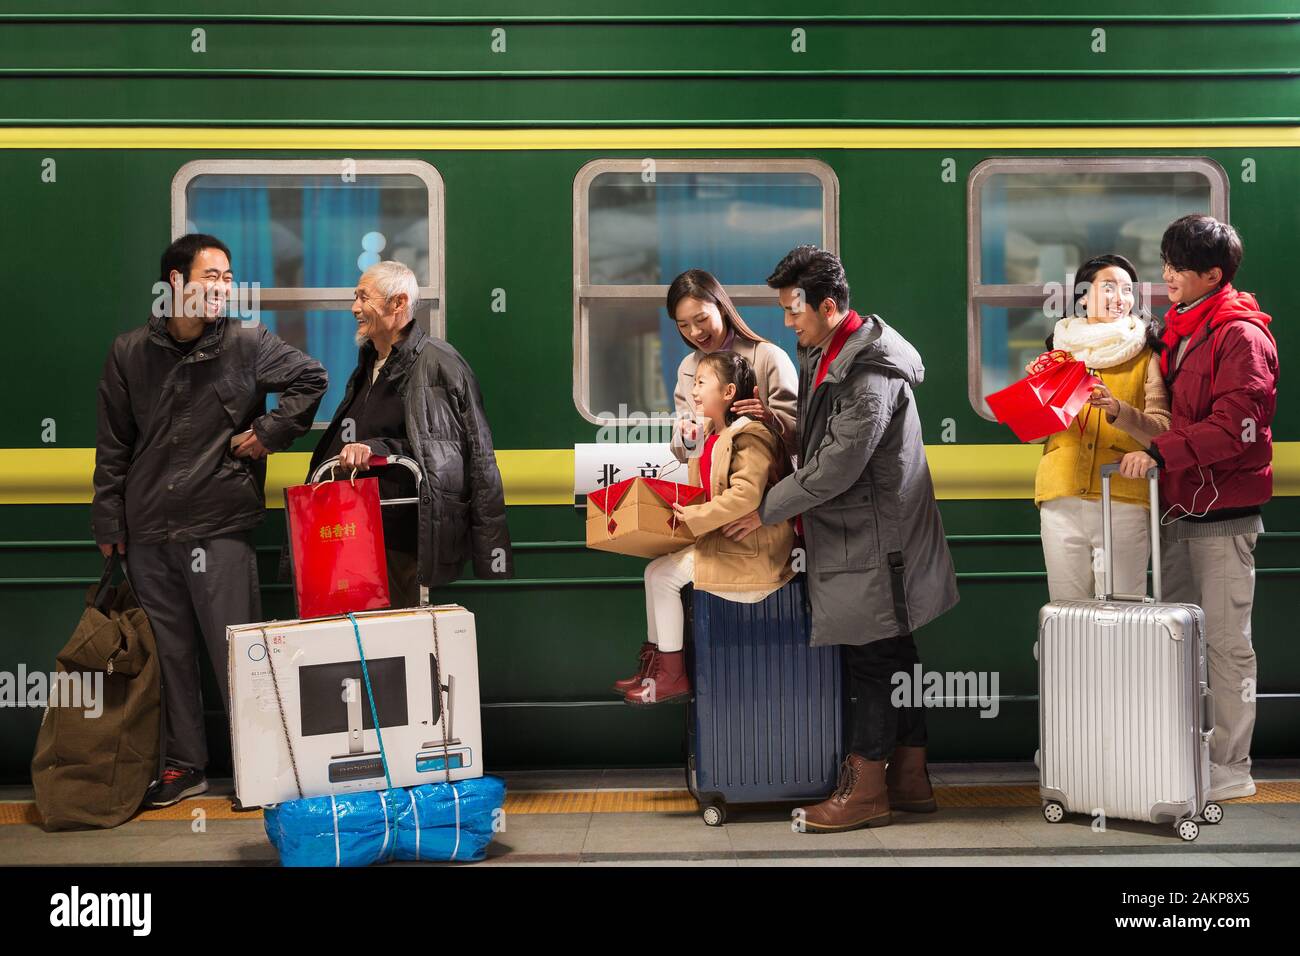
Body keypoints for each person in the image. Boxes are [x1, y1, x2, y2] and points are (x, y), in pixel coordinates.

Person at [720, 245, 959, 832]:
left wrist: (765, 508)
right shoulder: (828, 352)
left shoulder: (868, 371)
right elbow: (830, 435)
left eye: (794, 309)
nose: (786, 320)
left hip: (876, 539)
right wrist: (782, 421)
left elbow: (838, 466)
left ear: (828, 306)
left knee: (872, 660)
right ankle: (909, 778)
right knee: (896, 654)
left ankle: (866, 791)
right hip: (869, 533)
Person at [92, 233, 327, 808]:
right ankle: (184, 767)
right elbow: (114, 444)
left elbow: (311, 379)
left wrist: (267, 435)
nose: (224, 288)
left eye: (228, 277)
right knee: (170, 656)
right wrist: (109, 522)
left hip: (219, 524)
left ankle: (259, 768)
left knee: (236, 654)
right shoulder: (129, 352)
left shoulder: (247, 342)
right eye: (212, 277)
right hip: (148, 531)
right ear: (176, 281)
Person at [1116, 215, 1278, 802]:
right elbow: (1175, 428)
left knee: (1228, 645)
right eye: (1165, 264)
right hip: (1179, 511)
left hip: (1224, 516)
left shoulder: (1241, 337)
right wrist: (1122, 415)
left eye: (1179, 268)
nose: (1167, 277)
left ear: (1214, 274)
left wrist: (1159, 454)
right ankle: (1187, 755)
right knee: (1180, 641)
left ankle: (1232, 766)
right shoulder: (1180, 331)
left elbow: (1234, 430)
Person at [305, 260, 514, 605]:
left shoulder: (437, 362)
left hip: (405, 533)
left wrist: (375, 448)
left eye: (363, 298)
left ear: (398, 303)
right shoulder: (370, 362)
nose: (355, 308)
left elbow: (451, 453)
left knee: (400, 642)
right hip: (361, 527)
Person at [612, 351, 795, 705]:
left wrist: (692, 519)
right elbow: (705, 488)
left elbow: (745, 496)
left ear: (728, 392)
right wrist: (693, 446)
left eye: (701, 382)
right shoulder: (713, 434)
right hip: (727, 543)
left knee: (664, 577)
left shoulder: (751, 435)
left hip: (751, 554)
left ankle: (672, 676)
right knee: (654, 572)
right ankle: (655, 666)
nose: (693, 391)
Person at [1033, 254, 1171, 601]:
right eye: (1108, 288)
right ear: (1082, 296)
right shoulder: (1058, 355)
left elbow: (1162, 432)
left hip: (1122, 497)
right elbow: (1035, 434)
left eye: (1127, 290)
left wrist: (1117, 409)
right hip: (1059, 496)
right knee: (1066, 612)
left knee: (1122, 615)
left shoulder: (1146, 355)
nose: (1121, 298)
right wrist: (1035, 393)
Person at [666, 269, 798, 465]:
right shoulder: (687, 368)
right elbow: (682, 453)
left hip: (767, 486)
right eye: (683, 325)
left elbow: (800, 438)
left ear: (721, 308)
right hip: (713, 488)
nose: (694, 332)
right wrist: (687, 436)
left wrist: (769, 419)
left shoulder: (768, 357)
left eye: (701, 319)